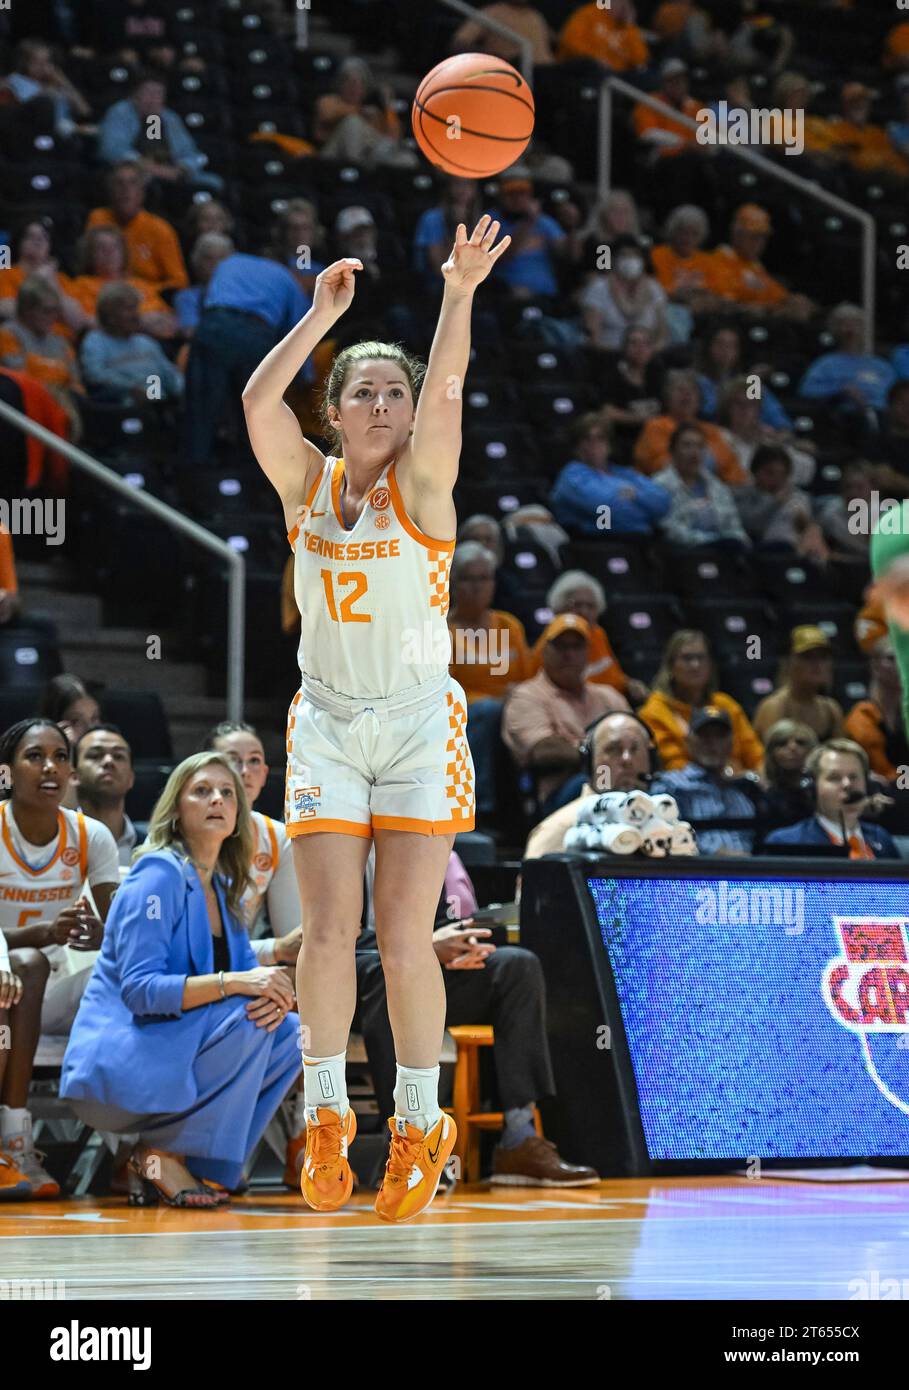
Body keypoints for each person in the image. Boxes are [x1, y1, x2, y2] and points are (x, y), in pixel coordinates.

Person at [242, 217, 512, 1223]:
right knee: (326, 935)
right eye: (366, 390)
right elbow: (254, 398)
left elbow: (448, 388)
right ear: (339, 408)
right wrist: (319, 317)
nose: (388, 402)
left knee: (405, 937)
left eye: (395, 391)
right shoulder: (304, 483)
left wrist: (457, 291)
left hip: (413, 726)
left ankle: (414, 1118)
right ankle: (323, 1115)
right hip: (325, 722)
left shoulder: (424, 486)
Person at [60, 752, 301, 1205]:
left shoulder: (225, 885)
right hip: (121, 1067)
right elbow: (139, 990)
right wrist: (236, 983)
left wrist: (278, 986)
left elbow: (250, 974)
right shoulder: (157, 876)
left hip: (174, 1052)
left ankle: (195, 1161)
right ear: (175, 809)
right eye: (202, 791)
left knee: (286, 1028)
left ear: (238, 814)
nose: (217, 800)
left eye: (227, 793)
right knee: (250, 1014)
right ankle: (162, 1151)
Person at [356, 846, 598, 1185]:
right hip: (347, 984)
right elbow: (326, 940)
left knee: (516, 966)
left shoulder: (412, 840)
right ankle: (403, 1144)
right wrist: (423, 947)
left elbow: (436, 925)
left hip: (414, 967)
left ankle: (518, 1136)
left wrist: (458, 945)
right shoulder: (336, 839)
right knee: (392, 974)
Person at [0, 718, 121, 1198]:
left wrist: (101, 934)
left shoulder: (92, 836)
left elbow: (124, 933)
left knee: (113, 976)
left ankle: (137, 1150)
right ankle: (15, 1142)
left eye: (60, 757)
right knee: (27, 963)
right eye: (34, 756)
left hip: (52, 988)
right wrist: (40, 933)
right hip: (6, 978)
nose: (49, 767)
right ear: (6, 772)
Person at [204, 720, 305, 1189]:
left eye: (255, 761)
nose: (244, 771)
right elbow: (187, 947)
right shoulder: (188, 833)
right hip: (194, 974)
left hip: (245, 970)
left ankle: (309, 1131)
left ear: (267, 774)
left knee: (311, 977)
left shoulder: (277, 836)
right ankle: (198, 1146)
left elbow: (294, 938)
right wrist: (271, 953)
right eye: (232, 760)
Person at [182, 250, 313, 468]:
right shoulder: (288, 279)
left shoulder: (229, 262)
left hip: (213, 325)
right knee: (252, 417)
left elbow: (207, 299)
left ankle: (193, 479)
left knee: (200, 409)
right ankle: (250, 484)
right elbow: (302, 334)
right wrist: (305, 378)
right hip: (255, 335)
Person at [502, 614, 630, 812]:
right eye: (561, 646)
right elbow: (543, 750)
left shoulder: (608, 696)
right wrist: (606, 752)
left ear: (587, 653)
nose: (569, 654)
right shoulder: (527, 695)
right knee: (593, 785)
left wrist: (581, 750)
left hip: (615, 778)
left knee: (659, 787)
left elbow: (638, 739)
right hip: (562, 790)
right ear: (544, 651)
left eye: (576, 647)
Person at [447, 541, 530, 818]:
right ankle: (479, 807)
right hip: (466, 715)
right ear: (452, 582)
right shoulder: (442, 629)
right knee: (489, 712)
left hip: (511, 708)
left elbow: (528, 677)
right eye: (468, 579)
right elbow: (443, 692)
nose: (477, 586)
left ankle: (529, 803)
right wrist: (497, 700)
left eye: (484, 578)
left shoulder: (509, 625)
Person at [524, 708, 657, 857]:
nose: (627, 759)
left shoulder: (670, 828)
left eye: (635, 749)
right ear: (589, 762)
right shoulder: (559, 829)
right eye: (613, 749)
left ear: (651, 760)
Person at [638, 628, 764, 773]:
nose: (695, 665)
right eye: (687, 658)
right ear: (670, 666)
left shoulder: (726, 705)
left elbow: (756, 756)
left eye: (701, 657)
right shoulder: (654, 712)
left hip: (737, 786)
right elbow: (674, 766)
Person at [651, 707, 761, 855]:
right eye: (704, 735)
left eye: (720, 736)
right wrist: (722, 855)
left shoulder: (742, 790)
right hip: (693, 874)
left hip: (750, 873)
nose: (712, 743)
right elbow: (663, 835)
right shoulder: (671, 785)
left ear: (732, 744)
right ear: (688, 742)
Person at [764, 740, 900, 859]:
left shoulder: (881, 838)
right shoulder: (786, 842)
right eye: (834, 778)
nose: (847, 784)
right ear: (813, 788)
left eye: (854, 776)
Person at [96, 69, 224, 194]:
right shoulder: (121, 112)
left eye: (158, 94)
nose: (152, 99)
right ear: (134, 95)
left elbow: (192, 154)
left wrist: (182, 169)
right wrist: (154, 169)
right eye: (147, 93)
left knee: (214, 182)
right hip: (136, 171)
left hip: (171, 172)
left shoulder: (169, 118)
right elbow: (111, 150)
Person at [528, 570, 647, 702]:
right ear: (560, 607)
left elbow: (614, 676)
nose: (584, 611)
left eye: (590, 606)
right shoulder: (550, 642)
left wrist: (629, 684)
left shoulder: (598, 633)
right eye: (577, 605)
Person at [550, 411, 670, 537]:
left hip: (638, 542)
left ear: (609, 445)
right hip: (595, 544)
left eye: (600, 438)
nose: (594, 444)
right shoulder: (572, 476)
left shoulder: (626, 473)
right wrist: (646, 515)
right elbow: (606, 510)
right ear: (577, 446)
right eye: (587, 439)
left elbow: (663, 503)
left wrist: (636, 495)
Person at [86, 163, 189, 293]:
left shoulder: (160, 229)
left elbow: (180, 282)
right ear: (110, 190)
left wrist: (143, 290)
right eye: (119, 183)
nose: (125, 189)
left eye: (132, 183)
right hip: (101, 292)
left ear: (142, 192)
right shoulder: (97, 218)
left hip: (146, 299)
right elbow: (86, 265)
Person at [633, 370, 746, 484]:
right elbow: (657, 464)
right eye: (680, 390)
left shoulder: (711, 430)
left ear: (699, 400)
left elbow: (730, 465)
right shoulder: (655, 426)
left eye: (692, 390)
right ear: (667, 398)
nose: (686, 394)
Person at [0, 277, 83, 431]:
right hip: (29, 408)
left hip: (67, 404)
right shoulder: (8, 335)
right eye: (46, 311)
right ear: (26, 310)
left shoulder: (60, 341)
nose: (52, 317)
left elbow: (75, 382)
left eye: (55, 311)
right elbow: (18, 380)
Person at [80, 282, 184, 404]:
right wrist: (131, 388)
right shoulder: (95, 341)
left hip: (156, 403)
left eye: (135, 308)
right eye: (128, 309)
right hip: (119, 405)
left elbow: (167, 374)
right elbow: (95, 375)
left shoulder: (146, 342)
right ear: (110, 315)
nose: (136, 315)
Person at [653, 423, 751, 551]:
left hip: (723, 552)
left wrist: (740, 540)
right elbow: (669, 529)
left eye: (700, 446)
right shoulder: (659, 485)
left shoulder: (717, 486)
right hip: (684, 553)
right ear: (672, 451)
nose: (694, 452)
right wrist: (712, 542)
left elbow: (733, 524)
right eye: (687, 445)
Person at [707, 204, 814, 321]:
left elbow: (780, 296)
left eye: (763, 237)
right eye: (754, 237)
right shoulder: (718, 260)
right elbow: (727, 301)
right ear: (737, 234)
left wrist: (794, 301)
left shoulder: (756, 267)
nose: (759, 243)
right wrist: (769, 308)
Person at [68, 226, 177, 340]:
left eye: (115, 247)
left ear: (123, 252)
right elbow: (85, 322)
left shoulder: (141, 284)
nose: (109, 252)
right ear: (90, 254)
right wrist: (138, 324)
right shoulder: (80, 285)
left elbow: (169, 319)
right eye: (101, 248)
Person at [489, 177, 582, 304]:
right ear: (501, 196)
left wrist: (572, 227)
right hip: (506, 294)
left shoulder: (544, 222)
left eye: (522, 193)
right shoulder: (491, 219)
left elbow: (572, 256)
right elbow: (504, 256)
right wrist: (529, 221)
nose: (517, 198)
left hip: (545, 295)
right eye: (511, 193)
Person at [314, 57, 415, 170]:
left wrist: (388, 106)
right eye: (349, 82)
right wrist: (360, 112)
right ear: (340, 85)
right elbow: (328, 115)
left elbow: (393, 139)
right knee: (352, 122)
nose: (353, 88)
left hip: (366, 159)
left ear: (365, 90)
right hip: (331, 159)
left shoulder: (372, 113)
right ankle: (356, 169)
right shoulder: (329, 101)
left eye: (358, 84)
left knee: (407, 159)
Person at [716, 379, 815, 488]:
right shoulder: (719, 436)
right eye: (739, 404)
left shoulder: (766, 439)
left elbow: (807, 470)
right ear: (727, 408)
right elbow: (740, 477)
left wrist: (777, 445)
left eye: (752, 405)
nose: (745, 410)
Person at [799, 304, 896, 414]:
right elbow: (807, 390)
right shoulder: (826, 363)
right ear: (835, 330)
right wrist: (840, 390)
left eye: (856, 324)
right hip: (847, 418)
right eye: (844, 324)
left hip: (884, 416)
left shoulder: (882, 366)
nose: (850, 330)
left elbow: (896, 395)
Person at [753, 625, 844, 742]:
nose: (817, 664)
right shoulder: (775, 707)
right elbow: (773, 757)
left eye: (823, 657)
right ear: (789, 663)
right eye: (807, 657)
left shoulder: (832, 710)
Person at [578, 237, 670, 353]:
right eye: (624, 255)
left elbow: (662, 333)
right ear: (613, 259)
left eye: (635, 255)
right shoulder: (599, 287)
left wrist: (647, 353)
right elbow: (592, 337)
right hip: (607, 354)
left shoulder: (654, 287)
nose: (630, 260)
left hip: (647, 356)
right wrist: (624, 355)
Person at [734, 444, 826, 559]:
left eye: (782, 474)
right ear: (755, 471)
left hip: (797, 549)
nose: (777, 479)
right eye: (770, 473)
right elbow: (750, 525)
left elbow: (808, 526)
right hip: (762, 551)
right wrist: (775, 503)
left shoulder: (799, 496)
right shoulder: (743, 494)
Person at [695, 323, 792, 430]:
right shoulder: (696, 382)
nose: (725, 350)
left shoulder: (751, 384)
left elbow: (780, 421)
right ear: (709, 347)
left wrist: (779, 432)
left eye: (731, 345)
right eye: (720, 344)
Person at [0, 217, 88, 334]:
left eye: (44, 237)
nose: (38, 241)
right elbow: (6, 310)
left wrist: (53, 284)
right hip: (24, 338)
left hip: (62, 343)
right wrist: (37, 279)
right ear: (19, 242)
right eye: (30, 236)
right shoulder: (6, 273)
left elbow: (77, 322)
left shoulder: (61, 279)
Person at [843, 636, 909, 781]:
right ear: (874, 665)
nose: (900, 664)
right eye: (891, 658)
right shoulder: (862, 716)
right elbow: (882, 771)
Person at [73, 724, 138, 868]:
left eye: (118, 756)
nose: (109, 761)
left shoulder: (152, 847)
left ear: (131, 778)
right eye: (95, 755)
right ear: (74, 775)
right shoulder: (56, 840)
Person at [651, 205, 724, 318]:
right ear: (672, 231)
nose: (687, 239)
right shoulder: (658, 255)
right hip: (670, 312)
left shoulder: (709, 261)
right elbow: (658, 292)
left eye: (694, 234)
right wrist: (686, 299)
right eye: (683, 232)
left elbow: (717, 294)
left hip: (705, 314)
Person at [825, 82, 909, 181]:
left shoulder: (878, 133)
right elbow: (840, 158)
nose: (859, 105)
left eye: (863, 100)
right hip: (859, 181)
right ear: (844, 105)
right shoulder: (834, 129)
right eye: (853, 101)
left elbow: (896, 163)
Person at [600, 326, 665, 437]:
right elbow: (607, 412)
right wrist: (644, 419)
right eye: (634, 343)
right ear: (624, 347)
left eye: (646, 344)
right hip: (625, 437)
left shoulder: (659, 373)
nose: (640, 348)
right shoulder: (612, 375)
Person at [632, 58, 701, 160]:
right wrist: (683, 143)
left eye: (682, 80)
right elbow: (648, 133)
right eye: (673, 81)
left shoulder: (694, 106)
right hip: (663, 158)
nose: (679, 85)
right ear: (664, 83)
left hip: (692, 157)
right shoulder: (651, 102)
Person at [450, 0, 555, 66]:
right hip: (520, 73)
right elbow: (458, 45)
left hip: (551, 73)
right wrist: (493, 56)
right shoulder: (492, 12)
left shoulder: (536, 16)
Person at [760, 719, 818, 833]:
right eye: (782, 743)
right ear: (771, 752)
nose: (792, 748)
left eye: (800, 743)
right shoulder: (759, 789)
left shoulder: (818, 790)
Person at [557, 0, 649, 72]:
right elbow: (570, 42)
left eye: (625, 2)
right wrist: (595, 59)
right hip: (585, 69)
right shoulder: (589, 14)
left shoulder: (626, 26)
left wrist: (630, 26)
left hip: (617, 77)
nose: (622, 5)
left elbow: (640, 60)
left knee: (647, 78)